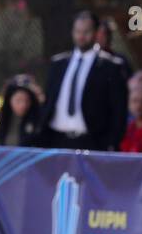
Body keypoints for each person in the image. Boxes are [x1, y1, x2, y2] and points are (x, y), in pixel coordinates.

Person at [35, 11, 128, 151]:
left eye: (86, 31)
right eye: (77, 31)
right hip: (57, 140)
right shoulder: (58, 64)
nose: (81, 36)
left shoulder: (110, 66)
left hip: (92, 143)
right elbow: (48, 101)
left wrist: (111, 142)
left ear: (97, 32)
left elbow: (119, 110)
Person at [0, 74, 43, 147]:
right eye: (18, 100)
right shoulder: (2, 117)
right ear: (9, 99)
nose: (23, 105)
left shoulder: (38, 121)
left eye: (27, 100)